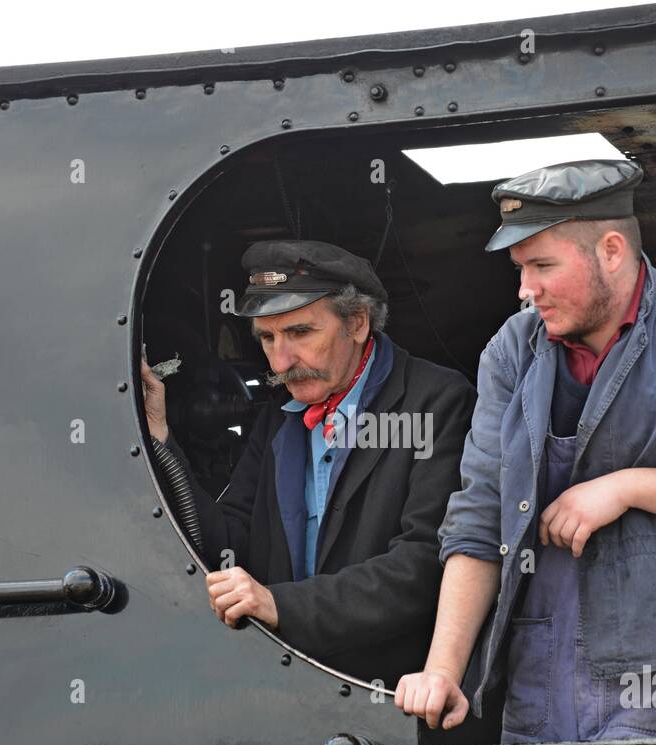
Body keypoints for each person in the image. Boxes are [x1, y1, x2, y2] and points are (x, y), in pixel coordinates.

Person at [395, 159, 656, 743]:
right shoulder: (511, 350)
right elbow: (481, 512)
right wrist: (443, 670)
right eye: (520, 269)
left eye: (541, 266)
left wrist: (627, 487)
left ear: (610, 250)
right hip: (533, 684)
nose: (525, 289)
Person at [142, 239, 475, 690]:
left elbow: (423, 563)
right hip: (292, 690)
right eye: (267, 338)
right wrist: (159, 438)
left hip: (394, 696)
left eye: (300, 333)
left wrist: (282, 606)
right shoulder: (279, 419)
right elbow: (231, 542)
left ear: (356, 324)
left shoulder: (434, 402)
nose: (281, 361)